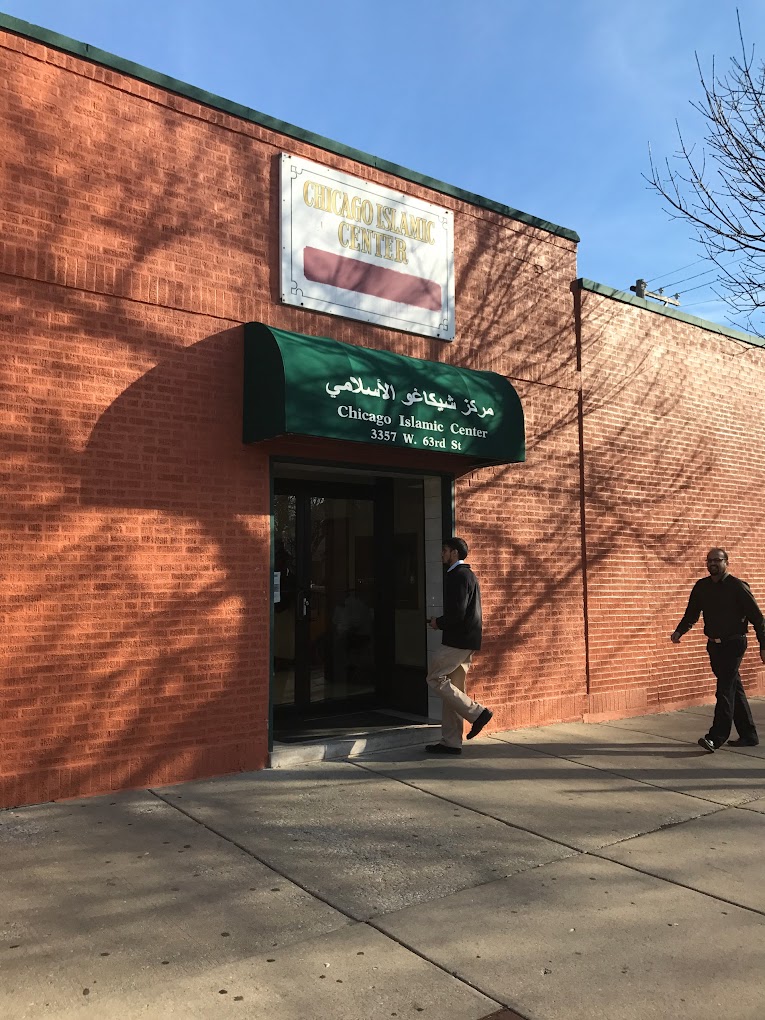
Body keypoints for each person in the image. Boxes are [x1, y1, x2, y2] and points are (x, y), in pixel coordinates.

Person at [671, 548, 763, 752]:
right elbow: (691, 614)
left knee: (724, 690)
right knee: (733, 688)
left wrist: (763, 646)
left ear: (726, 562)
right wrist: (679, 631)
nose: (712, 563)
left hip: (735, 644)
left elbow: (758, 619)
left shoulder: (738, 587)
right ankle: (749, 734)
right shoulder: (702, 587)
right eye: (709, 560)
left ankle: (715, 737)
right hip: (714, 645)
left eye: (717, 560)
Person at [424, 537, 492, 755]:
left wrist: (438, 622)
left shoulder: (458, 575)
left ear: (454, 553)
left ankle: (477, 713)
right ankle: (451, 742)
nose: (441, 554)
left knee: (434, 677)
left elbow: (458, 613)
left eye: (444, 550)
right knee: (452, 690)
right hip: (467, 641)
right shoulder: (468, 575)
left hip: (457, 641)